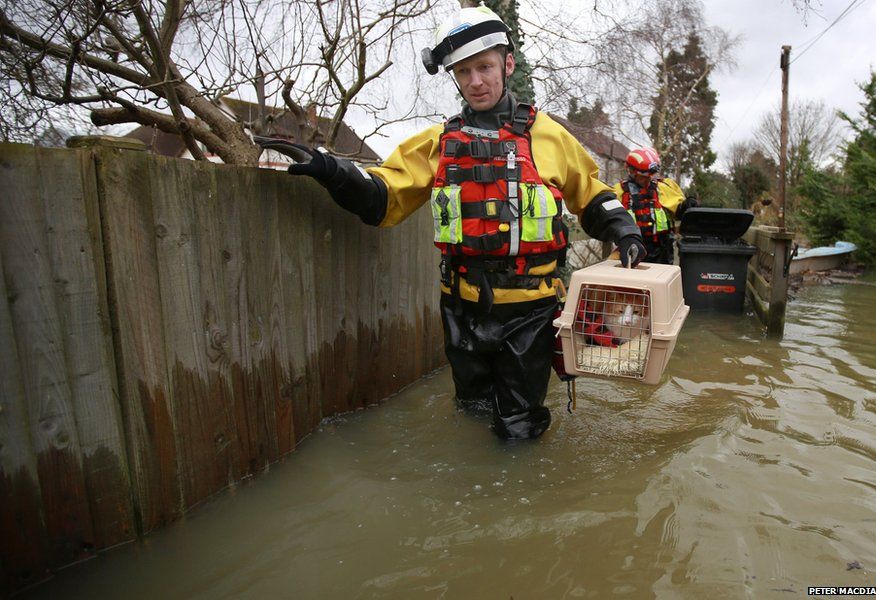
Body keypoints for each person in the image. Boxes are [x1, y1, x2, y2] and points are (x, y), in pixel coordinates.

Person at [265, 5, 645, 440]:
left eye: (483, 67)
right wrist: (331, 170)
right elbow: (382, 199)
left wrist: (625, 232)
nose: (475, 82)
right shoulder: (438, 142)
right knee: (471, 410)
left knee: (518, 427)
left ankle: (514, 498)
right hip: (461, 309)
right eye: (463, 72)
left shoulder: (549, 136)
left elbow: (592, 195)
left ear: (508, 63)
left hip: (529, 311)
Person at [612, 147, 689, 264]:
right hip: (633, 248)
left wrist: (686, 206)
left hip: (662, 250)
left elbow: (679, 210)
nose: (648, 180)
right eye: (644, 176)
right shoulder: (619, 192)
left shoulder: (662, 188)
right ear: (631, 171)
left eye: (650, 176)